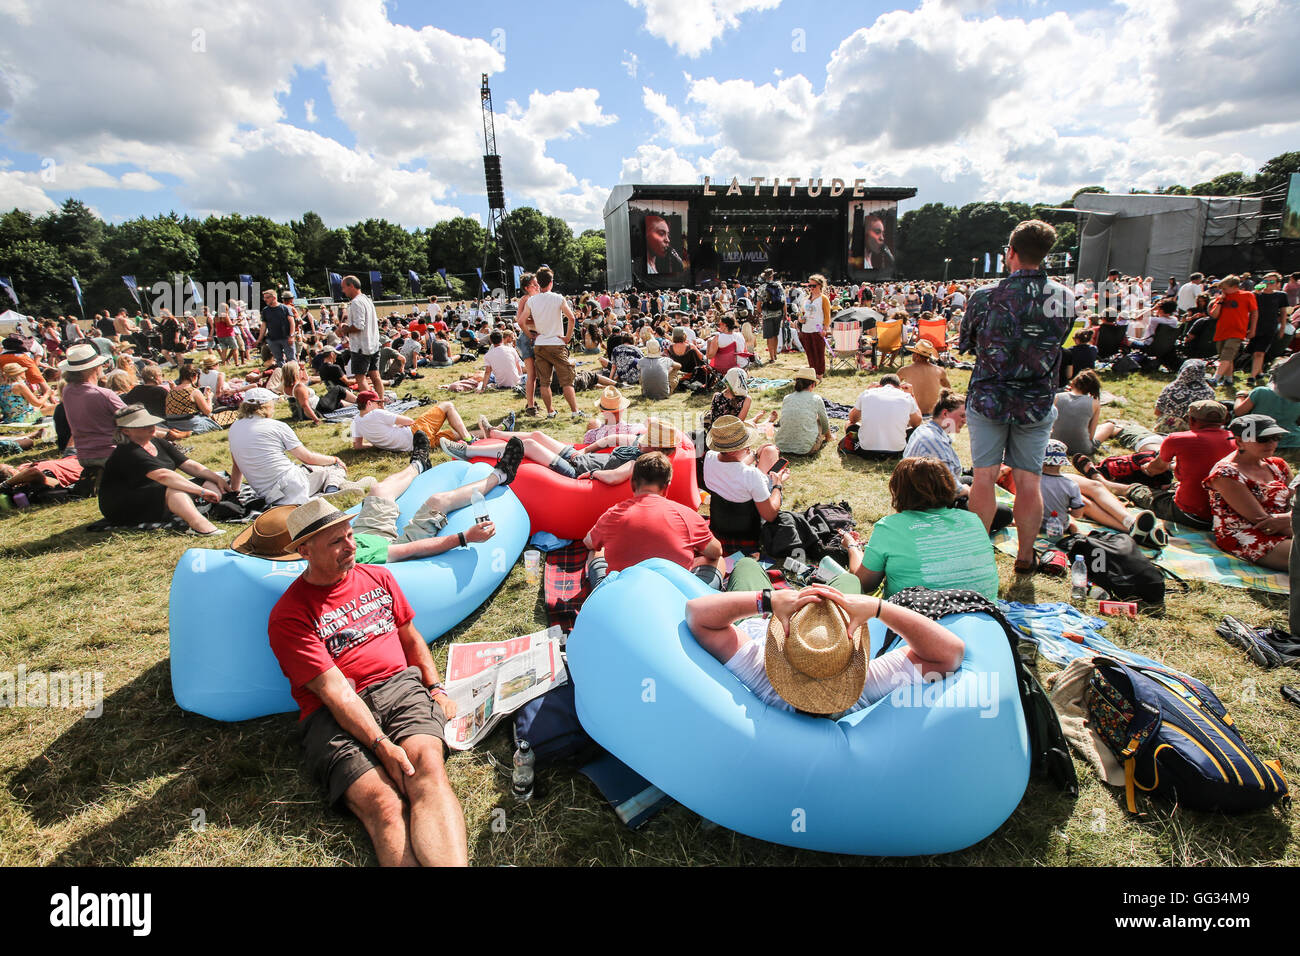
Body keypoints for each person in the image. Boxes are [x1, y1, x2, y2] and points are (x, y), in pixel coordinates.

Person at [267, 498, 467, 867]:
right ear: (304, 550)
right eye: (336, 542)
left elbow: (410, 637)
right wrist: (380, 744)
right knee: (385, 803)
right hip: (330, 714)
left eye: (349, 535)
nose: (350, 547)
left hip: (399, 687)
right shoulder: (289, 615)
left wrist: (435, 687)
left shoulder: (379, 577)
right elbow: (335, 692)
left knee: (427, 770)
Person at [959, 219, 1075, 574]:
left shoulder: (984, 296)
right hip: (1036, 400)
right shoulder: (1063, 297)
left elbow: (966, 345)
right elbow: (1060, 342)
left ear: (1010, 253)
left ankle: (978, 555)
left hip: (989, 398)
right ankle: (1026, 556)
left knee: (984, 477)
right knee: (1029, 481)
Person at [682, 579, 963, 719]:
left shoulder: (759, 673)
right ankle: (828, 589)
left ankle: (792, 588)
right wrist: (878, 608)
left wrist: (768, 600)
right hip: (788, 623)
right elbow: (951, 653)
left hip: (760, 621)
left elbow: (696, 615)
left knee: (747, 568)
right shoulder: (867, 686)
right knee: (847, 583)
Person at [840, 456, 1000, 599]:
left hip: (915, 624)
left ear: (898, 491)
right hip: (984, 619)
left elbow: (863, 583)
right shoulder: (973, 520)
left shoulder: (889, 528)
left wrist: (852, 547)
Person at [584, 448, 724, 587]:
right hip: (675, 597)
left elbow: (588, 542)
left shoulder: (612, 515)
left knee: (597, 551)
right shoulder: (687, 515)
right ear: (667, 486)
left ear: (632, 482)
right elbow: (716, 551)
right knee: (718, 560)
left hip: (621, 596)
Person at [98, 404, 229, 535]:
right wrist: (200, 491)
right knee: (173, 488)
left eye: (150, 423)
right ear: (126, 431)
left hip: (152, 493)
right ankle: (199, 526)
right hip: (124, 506)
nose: (151, 427)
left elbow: (188, 464)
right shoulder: (128, 451)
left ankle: (215, 508)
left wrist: (217, 478)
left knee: (208, 479)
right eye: (143, 425)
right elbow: (163, 476)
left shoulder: (157, 442)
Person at [228, 389, 368, 506]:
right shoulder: (276, 426)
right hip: (291, 484)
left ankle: (336, 488)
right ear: (266, 406)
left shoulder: (234, 428)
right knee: (333, 468)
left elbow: (237, 465)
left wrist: (234, 491)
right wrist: (334, 458)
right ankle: (331, 492)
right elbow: (307, 457)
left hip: (266, 494)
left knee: (312, 470)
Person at [1204, 415, 1293, 571]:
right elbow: (1262, 522)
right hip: (1247, 534)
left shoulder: (1278, 465)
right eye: (1262, 439)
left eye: (1276, 437)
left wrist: (1288, 519)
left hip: (1287, 524)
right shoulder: (1226, 474)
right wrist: (1292, 521)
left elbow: (1295, 501)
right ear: (1239, 442)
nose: (1272, 443)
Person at [703, 415, 788, 553]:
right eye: (745, 445)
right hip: (750, 530)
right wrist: (777, 484)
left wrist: (754, 456)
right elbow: (770, 515)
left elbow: (732, 469)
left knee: (769, 450)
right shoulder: (751, 475)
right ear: (733, 451)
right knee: (771, 452)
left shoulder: (710, 457)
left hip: (720, 524)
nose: (749, 447)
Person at [517, 266, 581, 420]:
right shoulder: (558, 298)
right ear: (551, 282)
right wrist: (567, 337)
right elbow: (572, 318)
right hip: (556, 344)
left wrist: (530, 336)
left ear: (538, 283)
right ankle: (575, 411)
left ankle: (550, 412)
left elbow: (520, 321)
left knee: (544, 382)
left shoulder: (531, 300)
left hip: (540, 344)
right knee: (566, 381)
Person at [59, 343, 126, 473]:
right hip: (111, 454)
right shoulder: (104, 394)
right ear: (95, 368)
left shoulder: (67, 391)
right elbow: (136, 421)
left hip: (84, 455)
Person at [351, 391, 472, 453]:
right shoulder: (376, 413)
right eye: (378, 403)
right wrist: (397, 425)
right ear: (369, 403)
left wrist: (377, 443)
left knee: (455, 435)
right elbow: (409, 421)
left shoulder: (355, 422)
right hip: (416, 433)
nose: (380, 405)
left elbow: (357, 446)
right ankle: (468, 439)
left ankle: (483, 433)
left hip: (416, 447)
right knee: (447, 405)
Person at [845, 374, 921, 459]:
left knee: (848, 424)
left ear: (879, 386)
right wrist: (912, 395)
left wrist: (867, 391)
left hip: (866, 451)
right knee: (918, 430)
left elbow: (852, 419)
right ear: (899, 387)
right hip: (897, 452)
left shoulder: (867, 393)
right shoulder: (907, 397)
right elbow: (917, 423)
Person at [339, 275, 384, 405]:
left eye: (344, 287)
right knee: (375, 377)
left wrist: (344, 329)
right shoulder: (367, 299)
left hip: (361, 346)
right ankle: (380, 404)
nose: (343, 291)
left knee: (360, 378)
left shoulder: (356, 302)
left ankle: (372, 405)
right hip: (373, 344)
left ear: (351, 286)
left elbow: (359, 326)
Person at [1234, 362, 1300, 448]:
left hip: (1257, 437)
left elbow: (1239, 412)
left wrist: (1240, 396)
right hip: (1290, 439)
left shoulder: (1261, 391)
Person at [1208, 276, 1257, 390]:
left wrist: (1253, 329)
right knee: (1224, 357)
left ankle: (1215, 379)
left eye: (1225, 288)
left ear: (1234, 287)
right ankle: (1228, 380)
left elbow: (1254, 313)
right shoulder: (1221, 298)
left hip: (1237, 331)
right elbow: (1214, 315)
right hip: (1222, 331)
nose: (1223, 291)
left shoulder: (1247, 295)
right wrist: (1220, 301)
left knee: (1227, 353)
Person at [773, 367, 831, 456]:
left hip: (782, 447)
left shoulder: (787, 398)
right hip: (806, 449)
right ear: (812, 385)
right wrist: (828, 437)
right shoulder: (816, 399)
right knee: (819, 420)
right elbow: (825, 422)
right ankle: (828, 438)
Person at [1247, 273, 1291, 386]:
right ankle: (1259, 372)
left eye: (1272, 282)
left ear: (1277, 284)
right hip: (1255, 326)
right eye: (1266, 281)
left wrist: (1282, 328)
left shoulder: (1281, 295)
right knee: (1254, 351)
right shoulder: (1255, 295)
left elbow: (1283, 313)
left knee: (1259, 353)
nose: (1268, 284)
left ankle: (1251, 377)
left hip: (1269, 327)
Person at [1154, 359, 1215, 434]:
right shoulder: (1208, 392)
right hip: (1193, 433)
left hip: (1165, 430)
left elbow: (1157, 411)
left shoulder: (1171, 388)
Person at [1051, 369, 1102, 459]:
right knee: (1108, 426)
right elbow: (1091, 435)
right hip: (1082, 449)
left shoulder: (1057, 397)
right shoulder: (1095, 403)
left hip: (1055, 445)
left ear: (1073, 382)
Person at [895, 338, 949, 418]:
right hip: (933, 415)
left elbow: (890, 388)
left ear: (916, 355)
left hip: (913, 415)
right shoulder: (939, 370)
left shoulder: (905, 370)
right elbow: (948, 389)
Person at [164, 363, 222, 435]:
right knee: (215, 423)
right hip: (190, 424)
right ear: (195, 376)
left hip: (173, 425)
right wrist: (209, 397)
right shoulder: (193, 391)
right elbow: (207, 411)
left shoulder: (172, 391)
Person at [797, 274, 831, 378]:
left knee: (819, 353)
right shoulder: (806, 299)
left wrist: (825, 329)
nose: (811, 288)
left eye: (814, 285)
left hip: (818, 329)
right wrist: (800, 318)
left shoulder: (823, 299)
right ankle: (812, 373)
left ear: (820, 286)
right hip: (806, 329)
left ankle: (819, 374)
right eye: (810, 286)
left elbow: (827, 316)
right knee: (810, 353)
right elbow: (801, 312)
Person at [257, 290, 297, 366]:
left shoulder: (285, 308)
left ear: (274, 298)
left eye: (267, 298)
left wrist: (291, 336)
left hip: (286, 338)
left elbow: (292, 322)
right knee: (279, 360)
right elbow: (264, 325)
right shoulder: (265, 310)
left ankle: (293, 376)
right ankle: (282, 375)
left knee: (291, 359)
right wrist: (259, 339)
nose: (265, 300)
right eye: (264, 298)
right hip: (272, 339)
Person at [757, 268, 787, 362]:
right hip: (778, 313)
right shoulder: (779, 285)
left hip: (767, 314)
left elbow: (758, 304)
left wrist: (761, 312)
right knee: (775, 335)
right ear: (772, 276)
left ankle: (772, 358)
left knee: (769, 337)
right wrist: (785, 313)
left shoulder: (762, 287)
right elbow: (784, 301)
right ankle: (775, 354)